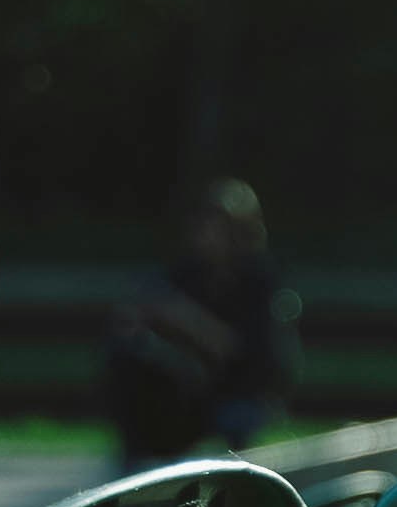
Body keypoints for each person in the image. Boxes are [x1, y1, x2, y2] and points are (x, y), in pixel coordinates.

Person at [107, 178, 297, 460]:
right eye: (203, 225)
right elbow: (150, 310)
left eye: (217, 227)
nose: (206, 235)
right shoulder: (189, 271)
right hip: (190, 391)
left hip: (242, 392)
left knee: (228, 418)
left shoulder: (258, 281)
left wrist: (183, 319)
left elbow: (242, 350)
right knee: (133, 366)